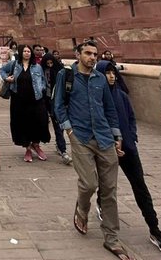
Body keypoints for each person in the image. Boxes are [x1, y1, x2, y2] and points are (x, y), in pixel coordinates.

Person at [54, 41, 131, 260]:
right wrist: (68, 131)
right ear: (77, 55)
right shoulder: (66, 76)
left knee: (110, 191)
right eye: (88, 53)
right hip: (81, 136)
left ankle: (112, 238)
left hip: (105, 137)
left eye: (95, 54)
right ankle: (82, 209)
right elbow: (58, 104)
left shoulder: (100, 79)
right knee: (89, 183)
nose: (92, 57)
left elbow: (109, 108)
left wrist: (117, 136)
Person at [97, 60, 161, 257]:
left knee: (140, 186)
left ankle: (155, 229)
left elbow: (131, 118)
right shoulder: (96, 98)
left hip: (129, 148)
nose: (112, 76)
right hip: (107, 148)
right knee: (106, 186)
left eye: (113, 72)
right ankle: (100, 208)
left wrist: (130, 137)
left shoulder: (122, 96)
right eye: (107, 73)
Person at [0, 44, 51, 162]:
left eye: (29, 51)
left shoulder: (37, 66)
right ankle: (28, 148)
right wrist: (6, 78)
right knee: (23, 123)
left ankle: (36, 145)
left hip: (36, 99)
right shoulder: (15, 64)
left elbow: (43, 80)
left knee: (39, 122)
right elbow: (2, 70)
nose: (27, 53)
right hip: (19, 100)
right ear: (21, 53)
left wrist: (42, 88)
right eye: (25, 51)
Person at [43, 52, 72, 164]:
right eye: (48, 63)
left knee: (61, 127)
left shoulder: (61, 71)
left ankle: (61, 147)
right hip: (49, 102)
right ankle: (62, 149)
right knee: (57, 127)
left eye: (51, 63)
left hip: (60, 102)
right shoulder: (43, 71)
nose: (50, 65)